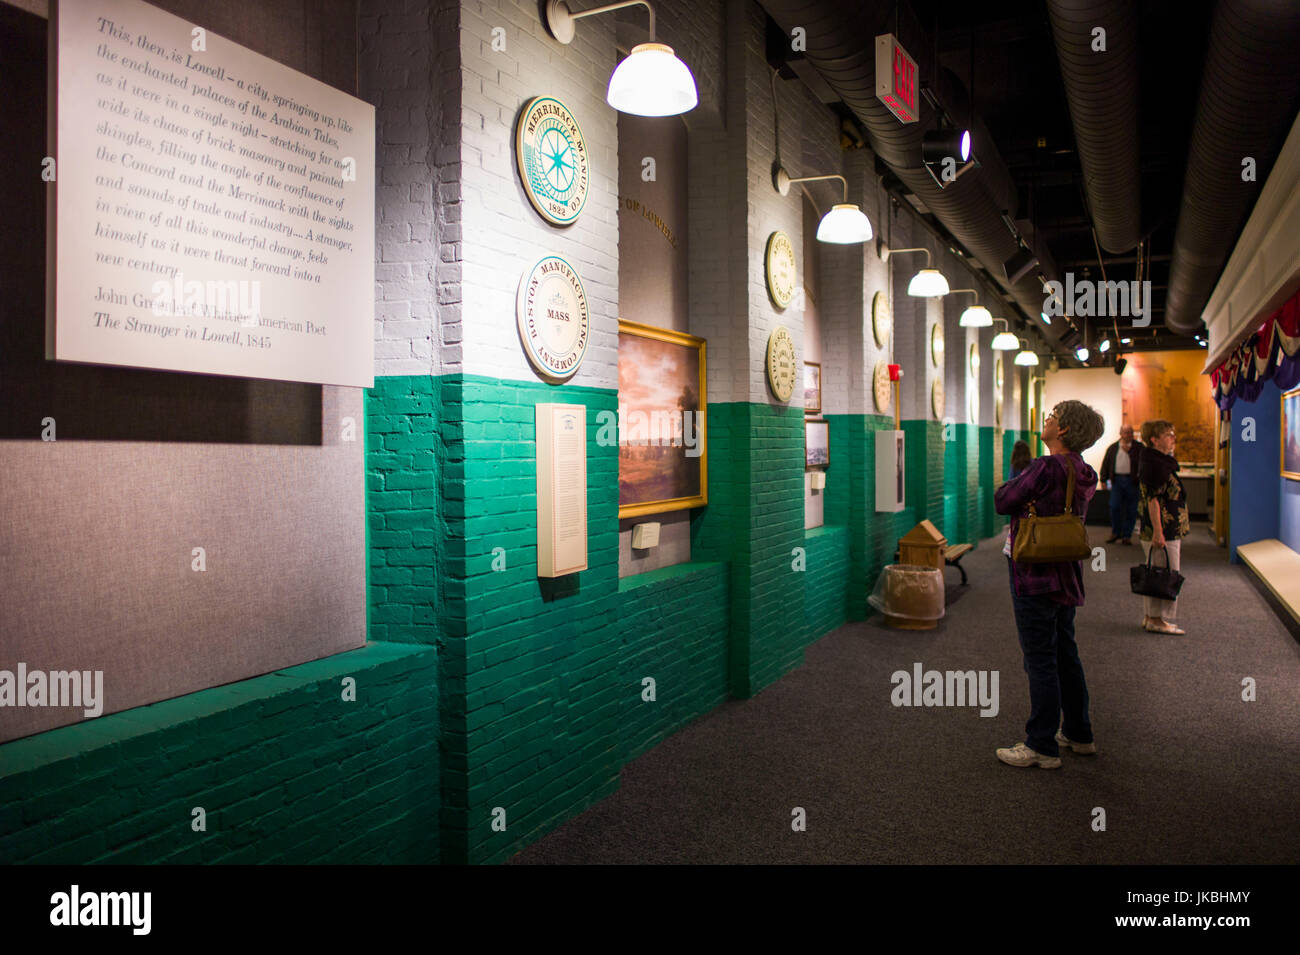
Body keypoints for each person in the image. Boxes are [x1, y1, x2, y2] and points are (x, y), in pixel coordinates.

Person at [994, 400, 1105, 769]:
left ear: (1065, 430)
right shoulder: (1083, 471)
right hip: (1066, 574)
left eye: (1052, 418)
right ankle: (1078, 732)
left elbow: (1004, 499)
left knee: (1039, 658)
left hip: (1034, 573)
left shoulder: (1045, 467)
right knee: (1065, 654)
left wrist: (1016, 486)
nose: (1046, 421)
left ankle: (1041, 744)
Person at [1137, 419, 1189, 635]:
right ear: (1154, 439)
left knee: (1155, 572)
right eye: (1168, 434)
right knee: (1165, 571)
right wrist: (1159, 532)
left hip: (1163, 529)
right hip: (1162, 530)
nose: (1173, 438)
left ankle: (1151, 617)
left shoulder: (1158, 461)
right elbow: (1153, 500)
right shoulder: (1156, 465)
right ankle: (1158, 620)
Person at [1100, 424, 1144, 545]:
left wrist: (1129, 453)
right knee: (1114, 506)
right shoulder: (1113, 448)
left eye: (1130, 432)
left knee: (1131, 509)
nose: (1128, 435)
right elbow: (1106, 463)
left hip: (1132, 481)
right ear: (1121, 434)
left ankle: (1127, 535)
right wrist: (1103, 479)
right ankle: (1115, 532)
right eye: (1125, 432)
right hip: (1117, 480)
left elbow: (1142, 464)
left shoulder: (1138, 448)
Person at [1002, 440, 1034, 588]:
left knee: (1017, 528)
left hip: (1018, 502)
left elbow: (1010, 483)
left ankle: (1019, 544)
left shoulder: (1014, 466)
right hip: (1031, 503)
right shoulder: (1033, 464)